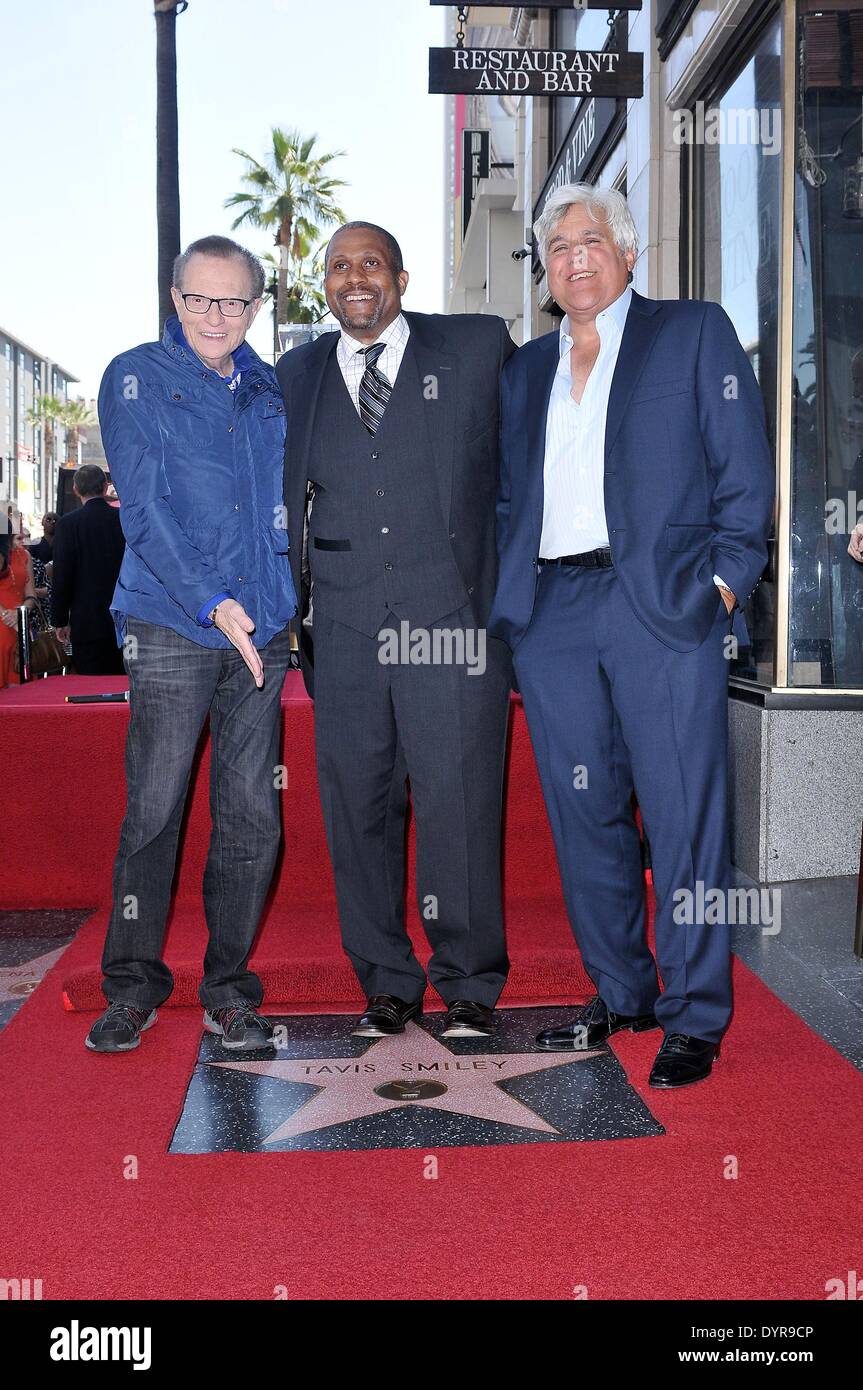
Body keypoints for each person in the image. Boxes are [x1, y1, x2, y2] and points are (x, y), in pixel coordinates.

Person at [489, 184, 775, 1088]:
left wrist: (724, 588)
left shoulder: (690, 333)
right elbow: (507, 498)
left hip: (662, 609)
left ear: (627, 250)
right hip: (554, 616)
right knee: (586, 816)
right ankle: (622, 991)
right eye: (557, 245)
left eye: (591, 239)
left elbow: (744, 472)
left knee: (685, 812)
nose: (574, 256)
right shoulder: (524, 369)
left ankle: (694, 1013)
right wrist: (511, 608)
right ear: (543, 268)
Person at [276, 222, 515, 1039]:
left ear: (401, 279)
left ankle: (470, 980)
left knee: (459, 802)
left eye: (369, 263)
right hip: (342, 630)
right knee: (360, 808)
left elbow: (532, 467)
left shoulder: (479, 349)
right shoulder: (295, 373)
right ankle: (384, 978)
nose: (353, 278)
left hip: (455, 626)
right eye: (338, 266)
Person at [85, 234, 297, 1054]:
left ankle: (230, 990)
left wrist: (280, 605)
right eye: (200, 299)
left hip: (263, 631)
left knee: (253, 818)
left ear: (255, 306)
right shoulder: (133, 376)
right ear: (175, 300)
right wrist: (213, 604)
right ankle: (133, 984)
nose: (217, 315)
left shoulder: (273, 388)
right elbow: (142, 512)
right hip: (171, 624)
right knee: (155, 810)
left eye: (235, 301)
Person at [50, 465, 126, 674]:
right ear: (105, 487)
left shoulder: (67, 525)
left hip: (86, 622)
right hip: (125, 619)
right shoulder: (122, 520)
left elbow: (62, 575)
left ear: (75, 489)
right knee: (127, 681)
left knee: (89, 684)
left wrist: (60, 620)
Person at [0, 516, 38, 688]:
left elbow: (31, 595)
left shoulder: (24, 555)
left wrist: (20, 613)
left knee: (21, 688)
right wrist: (8, 616)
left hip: (21, 625)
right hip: (5, 626)